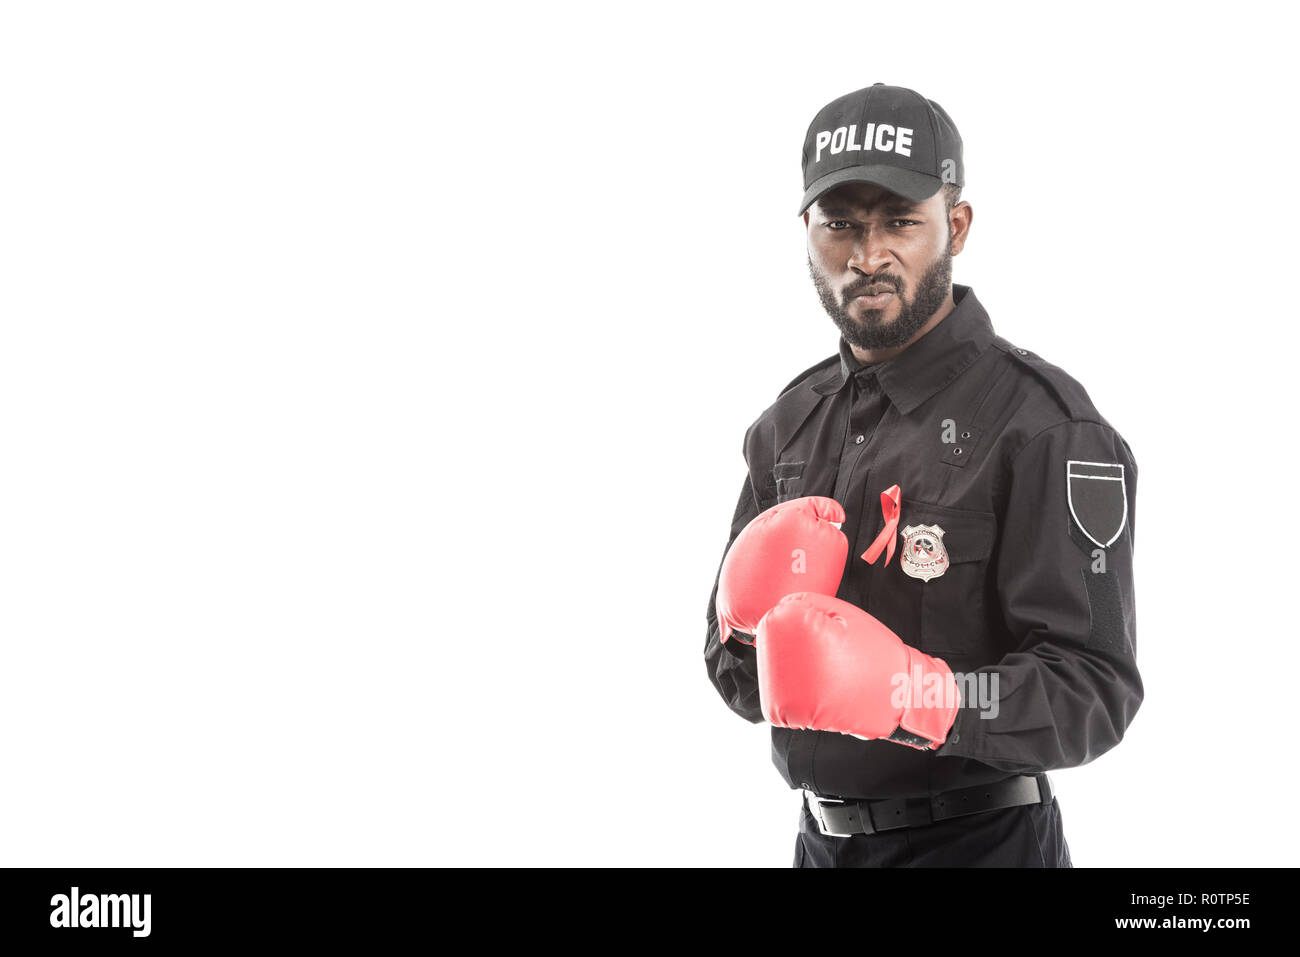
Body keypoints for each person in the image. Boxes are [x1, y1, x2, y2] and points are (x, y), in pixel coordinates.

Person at [703, 83, 1142, 868]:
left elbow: (1094, 689)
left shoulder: (1048, 427)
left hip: (983, 848)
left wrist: (926, 695)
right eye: (840, 224)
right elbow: (738, 682)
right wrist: (739, 632)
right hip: (818, 845)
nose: (867, 256)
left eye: (900, 221)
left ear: (957, 226)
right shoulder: (786, 424)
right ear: (807, 232)